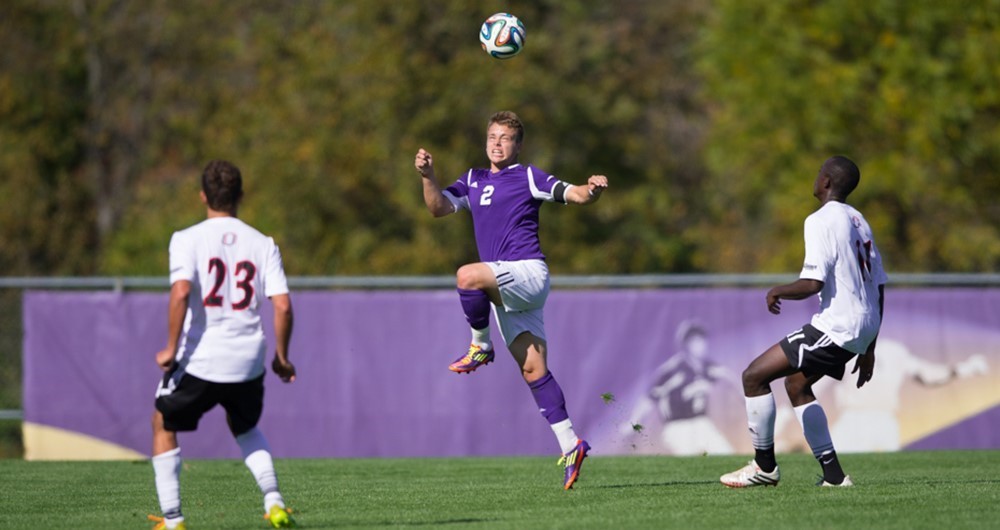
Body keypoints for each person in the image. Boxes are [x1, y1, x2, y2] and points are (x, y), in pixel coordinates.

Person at [414, 110, 608, 490]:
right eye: (492, 136)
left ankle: (480, 347)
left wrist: (593, 190)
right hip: (507, 290)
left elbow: (575, 194)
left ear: (518, 145)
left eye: (505, 138)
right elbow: (438, 208)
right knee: (534, 371)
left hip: (527, 273)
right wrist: (427, 177)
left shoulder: (528, 176)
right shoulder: (473, 179)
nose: (497, 143)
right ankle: (572, 443)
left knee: (467, 275)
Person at [720, 155, 887, 488]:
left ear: (825, 181)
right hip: (862, 326)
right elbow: (878, 285)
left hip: (838, 325)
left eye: (817, 174)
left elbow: (812, 284)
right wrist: (869, 346)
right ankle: (835, 477)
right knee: (797, 384)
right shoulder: (859, 220)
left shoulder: (820, 220)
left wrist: (778, 291)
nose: (815, 179)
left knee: (754, 376)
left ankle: (763, 467)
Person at [149, 160, 297, 529]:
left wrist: (169, 347)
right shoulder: (263, 243)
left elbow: (181, 292)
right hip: (249, 360)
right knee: (245, 427)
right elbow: (281, 305)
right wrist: (282, 357)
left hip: (203, 357)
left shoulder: (186, 239)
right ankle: (275, 501)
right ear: (240, 197)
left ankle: (173, 521)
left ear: (203, 196)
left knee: (163, 422)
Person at [626, 320, 735, 455]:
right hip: (677, 426)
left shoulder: (708, 366)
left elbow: (730, 377)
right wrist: (634, 421)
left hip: (701, 423)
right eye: (694, 341)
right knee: (689, 464)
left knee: (725, 455)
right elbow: (649, 398)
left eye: (702, 340)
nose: (700, 345)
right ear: (685, 344)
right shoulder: (672, 370)